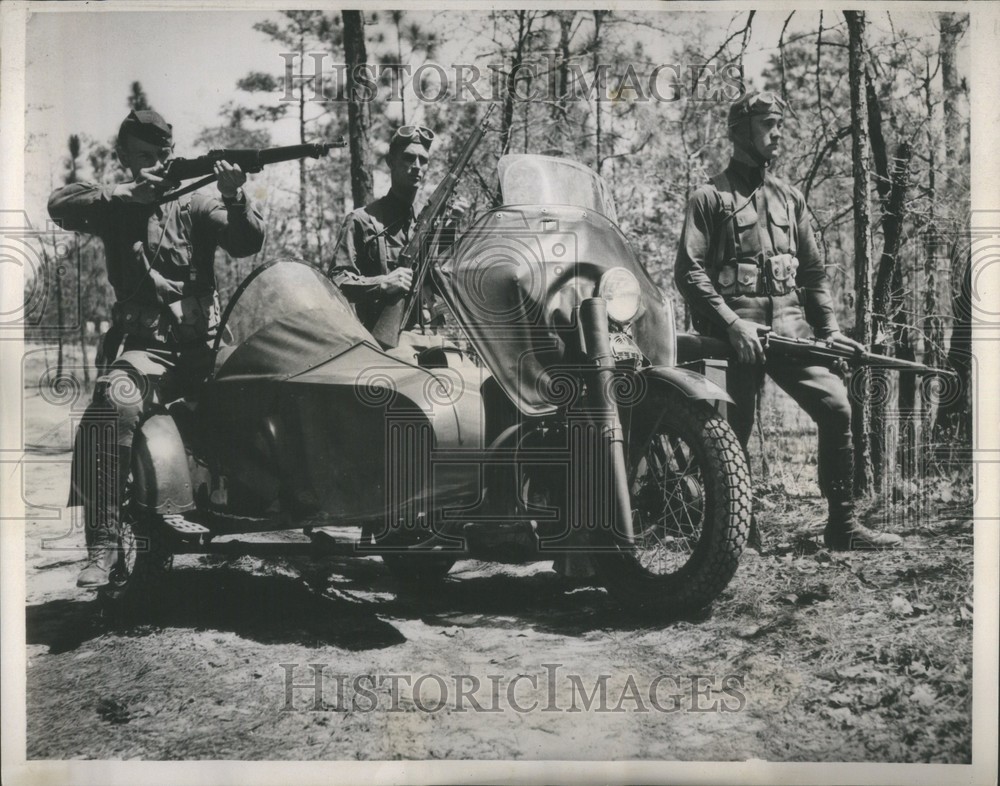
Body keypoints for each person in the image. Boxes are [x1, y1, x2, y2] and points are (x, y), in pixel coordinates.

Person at [674, 91, 901, 550]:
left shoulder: (789, 198)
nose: (777, 132)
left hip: (792, 332)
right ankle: (736, 533)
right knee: (731, 432)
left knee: (838, 407)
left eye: (779, 123)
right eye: (767, 124)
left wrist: (830, 331)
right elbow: (688, 271)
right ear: (741, 132)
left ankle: (843, 525)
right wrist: (730, 324)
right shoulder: (709, 197)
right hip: (733, 338)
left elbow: (813, 273)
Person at [48, 109, 266, 587]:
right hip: (148, 350)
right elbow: (58, 204)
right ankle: (104, 544)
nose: (155, 163)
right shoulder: (114, 205)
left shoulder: (198, 204)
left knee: (276, 383)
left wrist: (234, 195)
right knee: (114, 401)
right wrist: (126, 193)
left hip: (207, 348)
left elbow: (246, 242)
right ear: (124, 156)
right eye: (143, 156)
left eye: (162, 154)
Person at [327, 124, 448, 336]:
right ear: (391, 162)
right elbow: (337, 280)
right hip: (383, 342)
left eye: (423, 160)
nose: (417, 166)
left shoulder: (427, 221)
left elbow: (440, 278)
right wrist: (382, 283)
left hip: (432, 336)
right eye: (409, 158)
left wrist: (451, 226)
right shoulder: (361, 220)